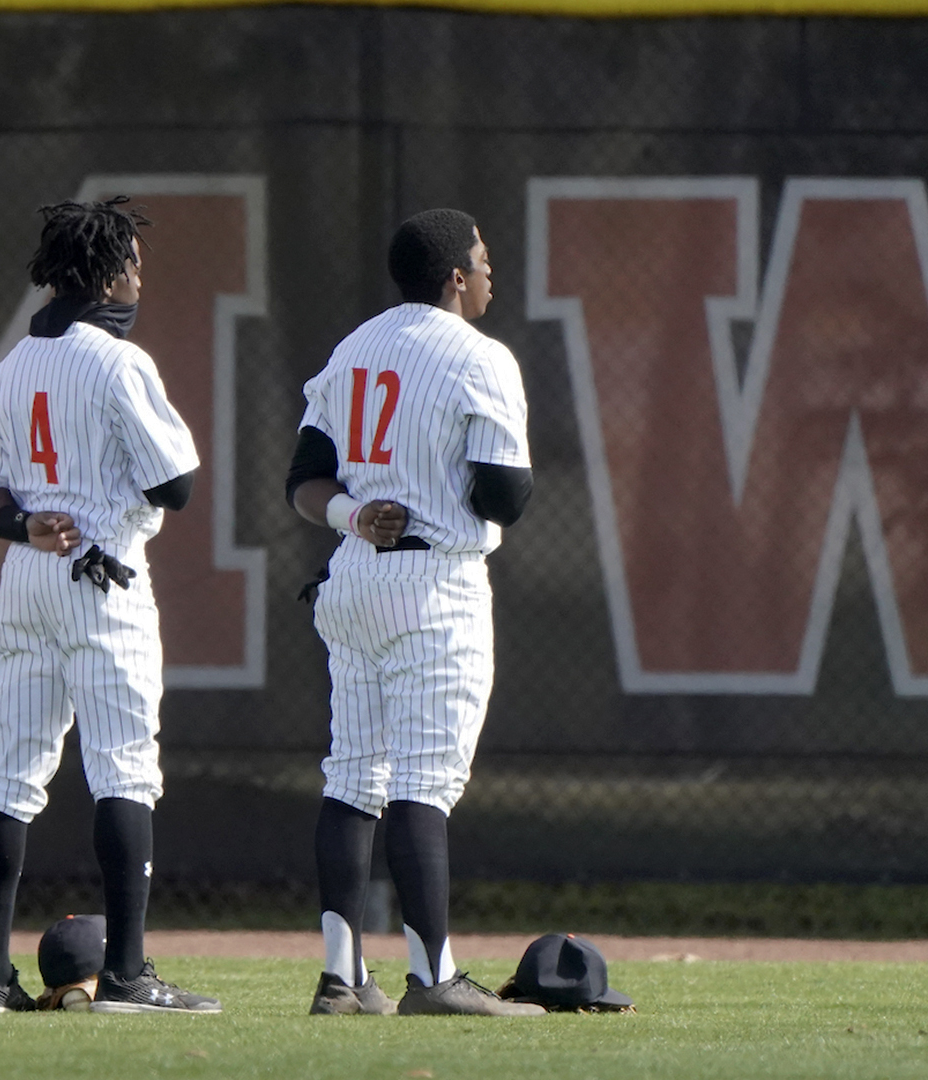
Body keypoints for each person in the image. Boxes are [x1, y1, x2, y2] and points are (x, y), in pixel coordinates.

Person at [0, 198, 218, 1014]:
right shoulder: (115, 362)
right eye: (133, 264)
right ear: (108, 273)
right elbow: (175, 484)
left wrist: (23, 520)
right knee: (125, 769)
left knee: (12, 771)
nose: (140, 279)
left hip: (29, 573)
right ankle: (127, 974)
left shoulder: (10, 367)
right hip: (101, 576)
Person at [285, 208, 540, 1017]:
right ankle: (432, 979)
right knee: (423, 784)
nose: (492, 272)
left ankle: (340, 978)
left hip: (353, 575)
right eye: (483, 258)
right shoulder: (479, 356)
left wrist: (356, 515)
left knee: (353, 775)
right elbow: (508, 493)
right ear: (455, 277)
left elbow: (305, 479)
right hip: (435, 583)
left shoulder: (352, 348)